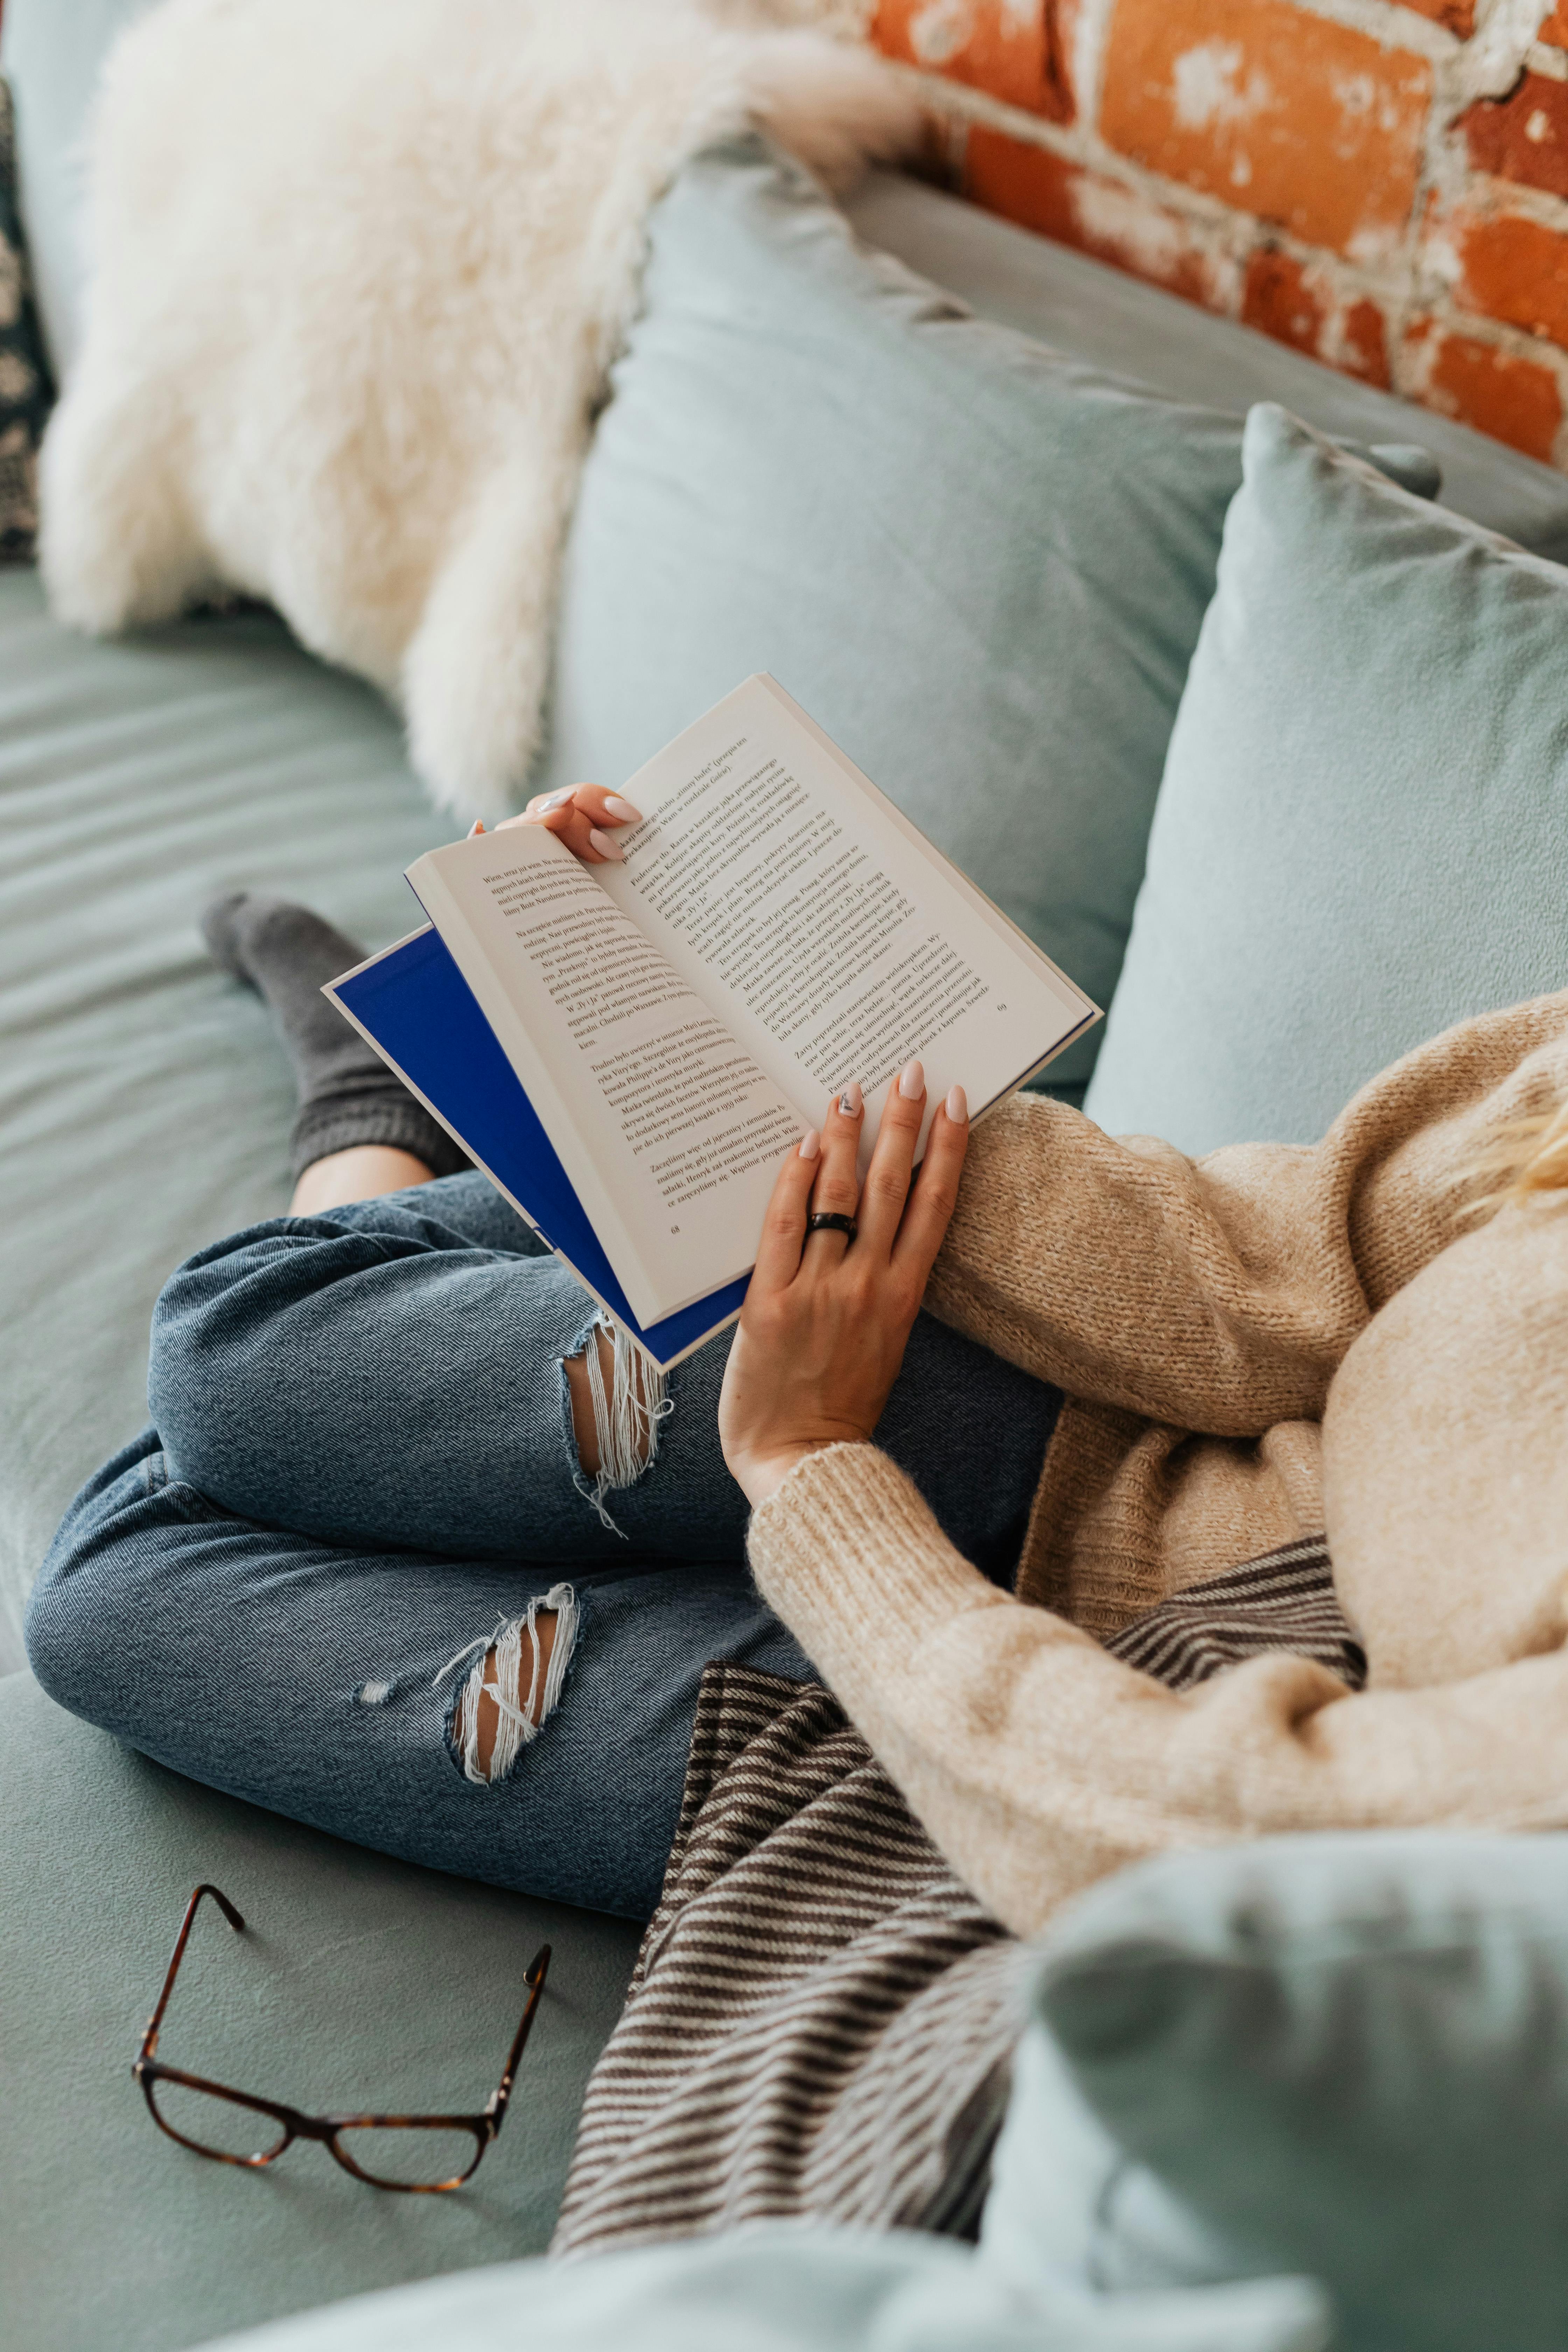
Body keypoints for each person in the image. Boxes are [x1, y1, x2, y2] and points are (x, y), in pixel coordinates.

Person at [26, 780, 1568, 1944]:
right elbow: (1277, 1265)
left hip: (1016, 1748)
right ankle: (411, 1122)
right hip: (1068, 1421)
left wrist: (812, 1471)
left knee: (111, 1597)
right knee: (231, 1364)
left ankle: (377, 1154)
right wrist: (692, 1029)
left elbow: (1265, 1870)